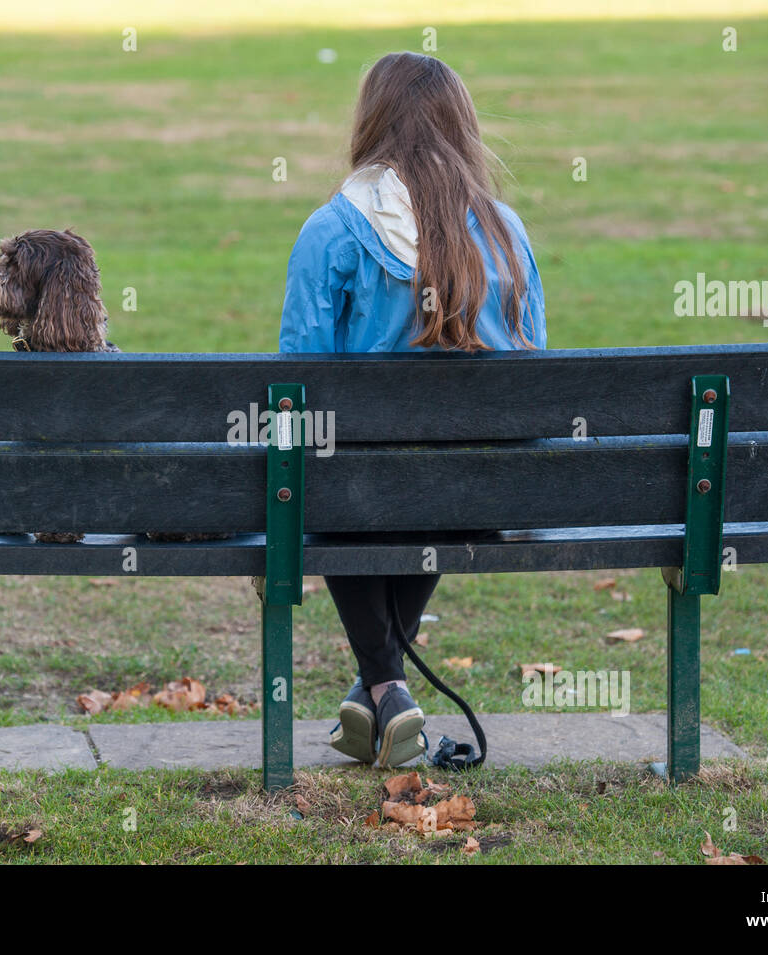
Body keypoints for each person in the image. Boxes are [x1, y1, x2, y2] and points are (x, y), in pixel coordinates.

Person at [278, 51, 547, 768]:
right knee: (424, 477)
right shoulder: (507, 234)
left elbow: (296, 385)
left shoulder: (332, 230)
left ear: (369, 121)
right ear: (463, 126)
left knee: (329, 475)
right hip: (477, 490)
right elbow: (534, 375)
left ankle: (388, 687)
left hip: (357, 490)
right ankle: (381, 688)